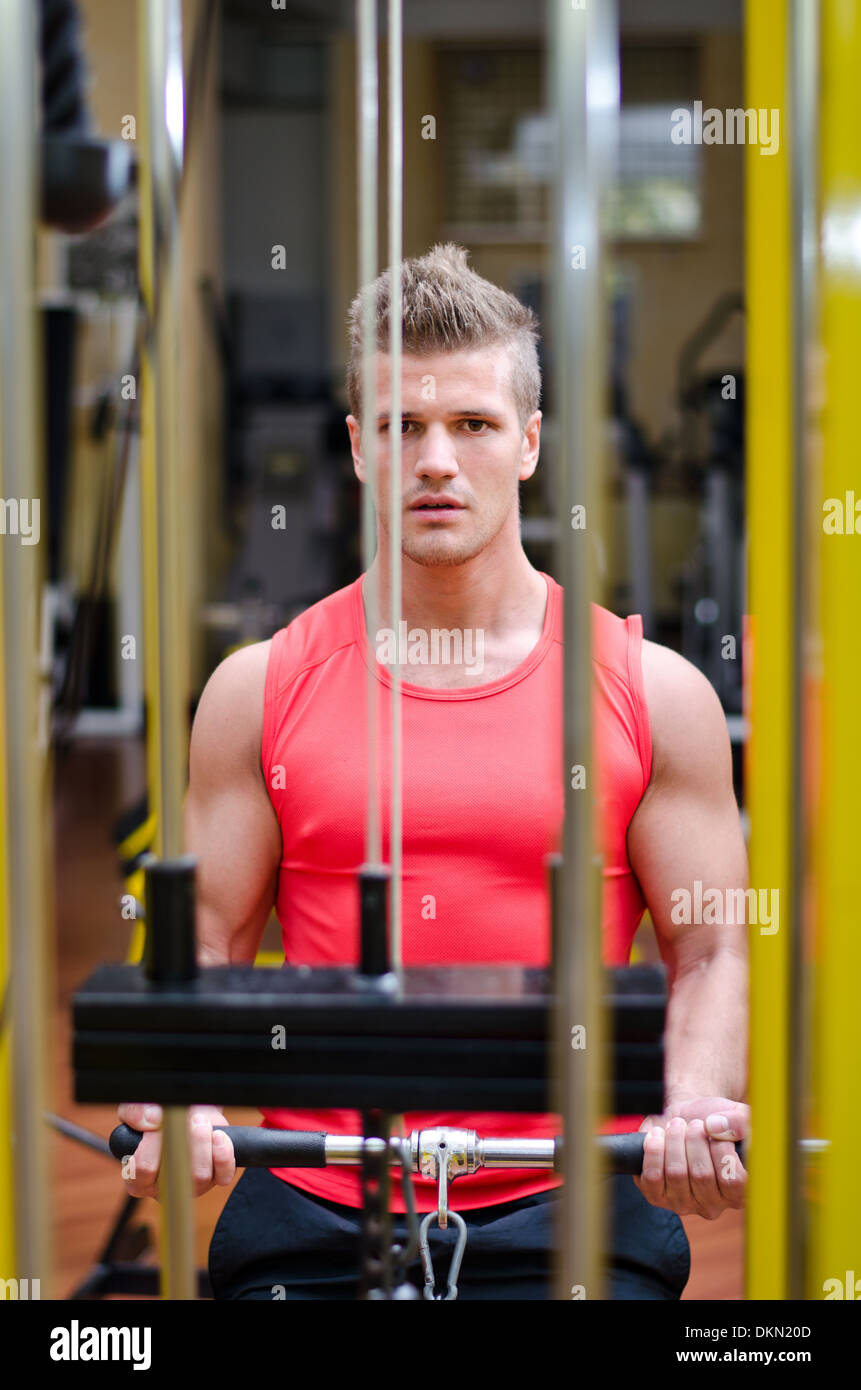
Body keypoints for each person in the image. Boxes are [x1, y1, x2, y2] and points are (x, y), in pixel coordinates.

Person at [117, 243, 750, 1300]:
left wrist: (689, 1100)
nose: (437, 460)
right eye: (404, 426)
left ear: (530, 444)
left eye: (472, 425)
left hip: (572, 1188)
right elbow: (207, 939)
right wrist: (181, 1096)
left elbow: (710, 944)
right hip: (318, 1190)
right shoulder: (256, 689)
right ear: (361, 447)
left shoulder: (654, 691)